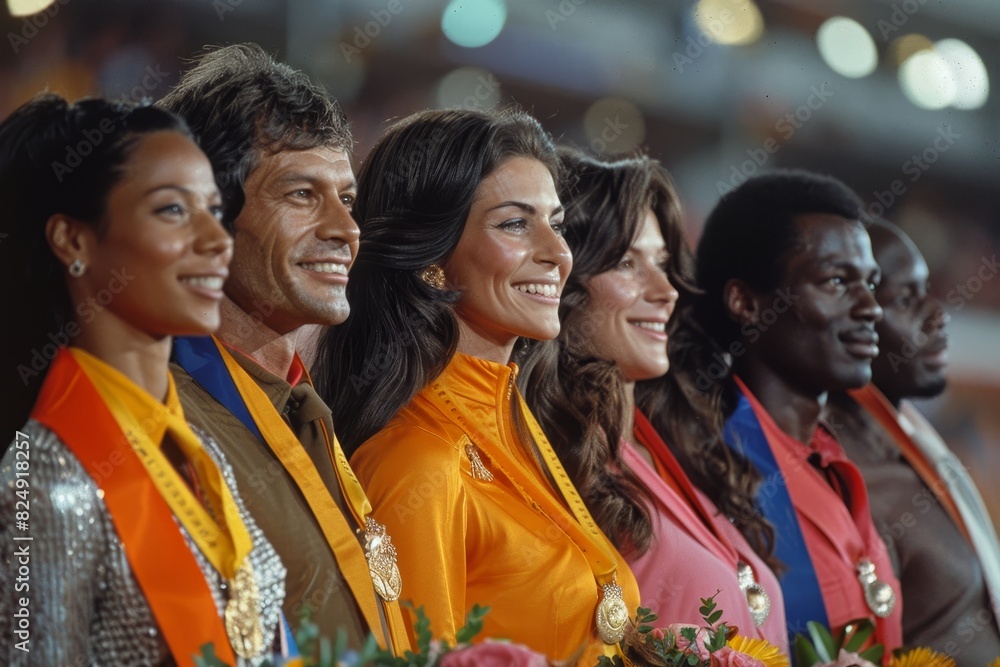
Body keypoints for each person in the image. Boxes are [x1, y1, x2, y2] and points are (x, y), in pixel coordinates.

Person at [315, 109, 641, 664]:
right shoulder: (417, 461)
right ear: (433, 259)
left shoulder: (518, 424)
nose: (558, 254)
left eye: (556, 224)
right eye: (514, 224)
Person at [0, 94, 286, 665]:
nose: (216, 239)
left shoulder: (199, 446)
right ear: (73, 241)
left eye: (212, 208)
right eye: (173, 211)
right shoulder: (41, 484)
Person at [158, 43, 408, 652]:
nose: (345, 230)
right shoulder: (166, 424)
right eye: (302, 194)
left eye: (347, 199)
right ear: (209, 214)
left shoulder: (307, 407)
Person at [520, 149, 788, 651]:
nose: (666, 290)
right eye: (626, 262)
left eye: (664, 264)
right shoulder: (550, 466)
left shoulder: (664, 444)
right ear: (559, 279)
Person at [650, 170, 903, 652]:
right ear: (745, 301)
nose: (871, 307)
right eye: (836, 280)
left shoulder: (831, 462)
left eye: (869, 282)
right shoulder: (704, 467)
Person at [825, 219, 1000, 665]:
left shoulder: (915, 446)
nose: (938, 313)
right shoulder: (846, 479)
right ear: (852, 317)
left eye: (927, 290)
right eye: (906, 298)